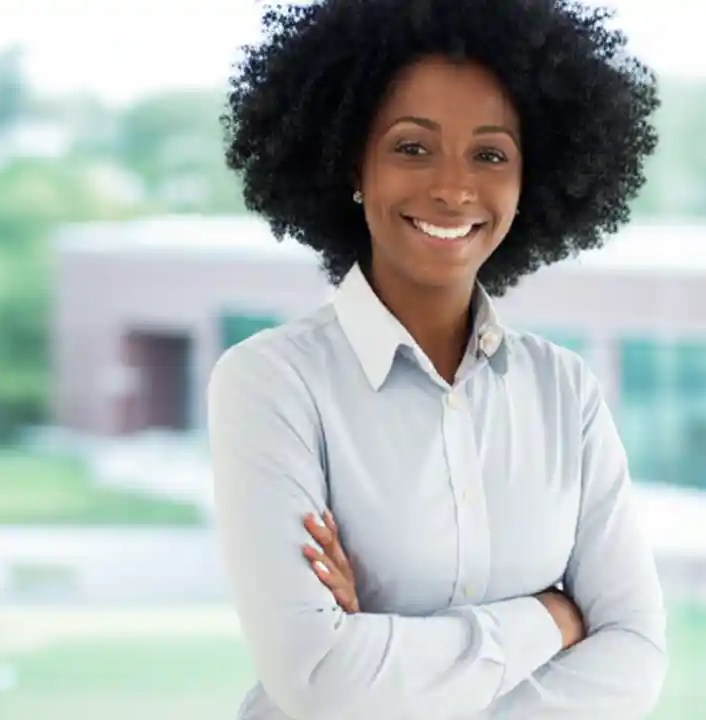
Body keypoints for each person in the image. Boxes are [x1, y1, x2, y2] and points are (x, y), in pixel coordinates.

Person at [208, 1, 664, 717]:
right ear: (351, 163)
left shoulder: (563, 391)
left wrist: (386, 659)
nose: (453, 188)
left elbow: (634, 656)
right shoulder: (270, 383)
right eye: (412, 147)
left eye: (490, 154)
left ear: (530, 182)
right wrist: (553, 619)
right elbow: (321, 680)